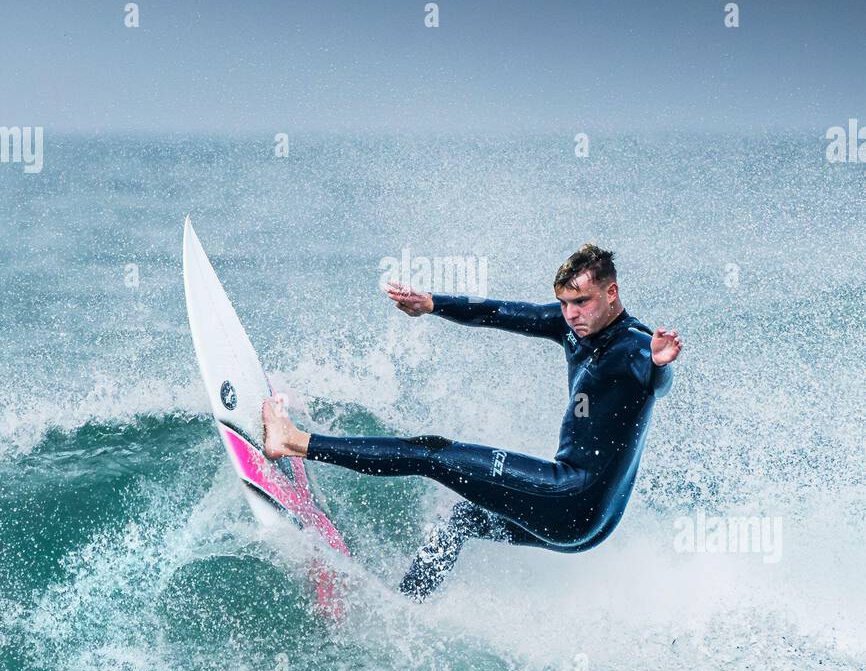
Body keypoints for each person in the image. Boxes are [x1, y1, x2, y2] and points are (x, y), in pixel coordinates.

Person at [262, 243, 682, 599]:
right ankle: (407, 604)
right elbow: (500, 311)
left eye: (582, 302)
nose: (571, 314)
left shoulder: (635, 347)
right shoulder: (574, 326)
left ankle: (293, 440)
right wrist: (431, 304)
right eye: (564, 303)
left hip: (572, 499)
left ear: (612, 293)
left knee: (430, 453)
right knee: (462, 520)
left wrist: (661, 365)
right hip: (595, 523)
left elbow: (653, 378)